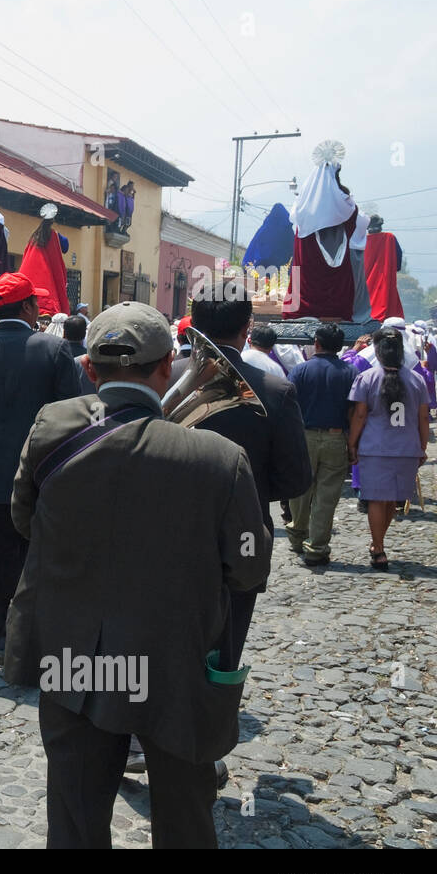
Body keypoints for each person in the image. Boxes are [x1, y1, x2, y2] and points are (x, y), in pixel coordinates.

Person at [4, 301, 271, 849]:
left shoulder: (52, 425)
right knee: (185, 820)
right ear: (168, 366)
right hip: (177, 662)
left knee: (75, 815)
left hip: (75, 655)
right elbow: (248, 570)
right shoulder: (222, 459)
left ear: (89, 368)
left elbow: (23, 519)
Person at [173, 285, 309, 671]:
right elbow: (297, 479)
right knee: (225, 644)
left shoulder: (162, 377)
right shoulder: (277, 391)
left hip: (162, 524)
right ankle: (211, 714)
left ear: (194, 324)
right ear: (247, 326)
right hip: (240, 535)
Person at [0, 272, 80, 663]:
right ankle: (35, 636)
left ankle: (0, 635)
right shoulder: (54, 350)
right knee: (37, 555)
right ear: (28, 307)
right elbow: (71, 414)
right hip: (43, 471)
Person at [348, 327, 430, 570]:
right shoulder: (417, 380)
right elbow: (423, 418)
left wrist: (351, 443)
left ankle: (379, 548)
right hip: (406, 448)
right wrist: (422, 447)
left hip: (374, 448)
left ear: (377, 350)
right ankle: (378, 544)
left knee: (376, 499)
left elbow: (360, 415)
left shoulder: (367, 378)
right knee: (391, 501)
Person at [286, 323, 358, 567]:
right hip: (336, 436)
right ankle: (317, 547)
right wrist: (352, 443)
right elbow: (353, 411)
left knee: (299, 488)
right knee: (327, 495)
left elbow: (289, 405)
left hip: (304, 435)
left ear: (316, 342)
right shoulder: (350, 372)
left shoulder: (300, 370)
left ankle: (297, 535)